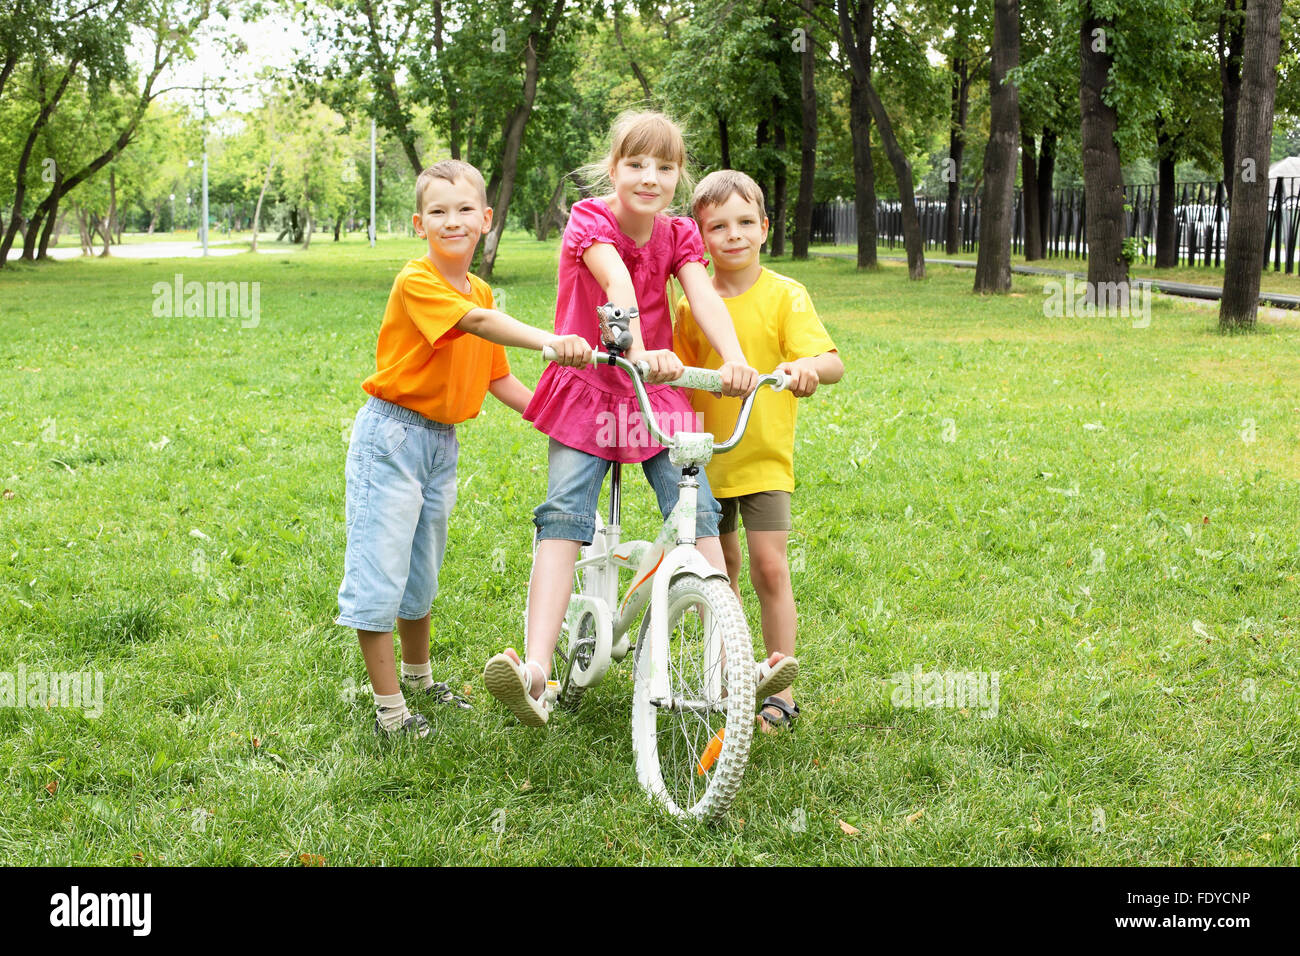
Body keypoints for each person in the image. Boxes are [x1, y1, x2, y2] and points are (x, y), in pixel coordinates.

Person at [483, 112, 797, 727]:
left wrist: (735, 360)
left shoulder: (679, 234)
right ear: (613, 168)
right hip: (589, 388)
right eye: (636, 165)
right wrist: (633, 346)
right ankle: (536, 673)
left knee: (700, 514)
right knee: (565, 518)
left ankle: (732, 664)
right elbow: (616, 277)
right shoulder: (590, 218)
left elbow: (701, 293)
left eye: (664, 166)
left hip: (653, 395)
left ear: (680, 176)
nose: (649, 177)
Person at [336, 159, 588, 737]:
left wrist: (558, 422)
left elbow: (496, 378)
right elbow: (476, 324)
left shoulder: (480, 287)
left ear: (487, 219)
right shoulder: (418, 280)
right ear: (420, 223)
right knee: (381, 571)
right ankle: (391, 711)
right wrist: (551, 341)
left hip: (439, 445)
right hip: (392, 439)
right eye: (439, 212)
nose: (453, 221)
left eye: (465, 210)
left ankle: (420, 678)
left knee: (420, 571)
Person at [674, 169, 845, 732]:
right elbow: (673, 372)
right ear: (699, 238)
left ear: (765, 228)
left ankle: (782, 690)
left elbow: (832, 363)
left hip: (765, 460)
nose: (733, 235)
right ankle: (733, 672)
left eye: (746, 222)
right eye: (718, 226)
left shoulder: (786, 295)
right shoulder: (692, 306)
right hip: (707, 460)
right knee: (720, 571)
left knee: (770, 569)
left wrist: (804, 368)